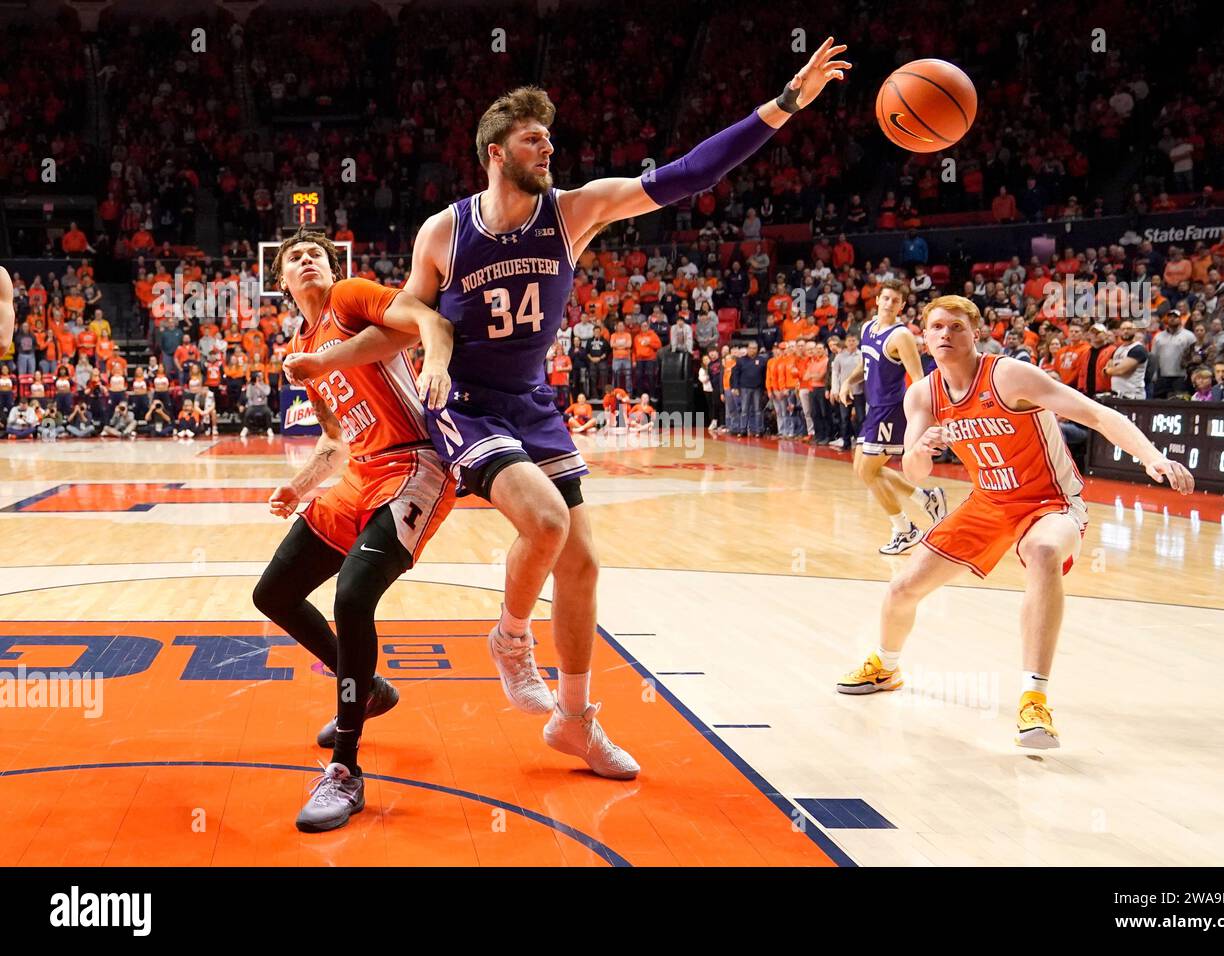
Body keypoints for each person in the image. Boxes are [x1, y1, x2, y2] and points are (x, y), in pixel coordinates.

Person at [281, 40, 851, 780]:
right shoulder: (444, 232)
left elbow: (689, 174)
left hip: (533, 402)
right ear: (495, 153)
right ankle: (511, 639)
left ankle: (575, 720)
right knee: (547, 523)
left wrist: (785, 104)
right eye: (532, 138)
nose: (548, 148)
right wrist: (331, 360)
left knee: (581, 564)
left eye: (549, 137)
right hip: (466, 405)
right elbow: (403, 327)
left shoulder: (575, 211)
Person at [836, 295, 1194, 748]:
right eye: (937, 327)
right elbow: (914, 472)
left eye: (957, 327)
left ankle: (1034, 699)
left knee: (1042, 551)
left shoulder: (1008, 375)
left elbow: (1096, 414)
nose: (946, 334)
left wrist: (1152, 457)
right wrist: (920, 449)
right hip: (988, 501)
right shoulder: (923, 394)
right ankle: (886, 667)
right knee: (903, 588)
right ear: (924, 337)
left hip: (1049, 501)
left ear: (976, 333)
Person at [258, 229, 458, 833]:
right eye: (295, 258)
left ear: (331, 266)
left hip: (414, 465)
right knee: (274, 594)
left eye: (315, 254)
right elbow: (334, 441)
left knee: (351, 597)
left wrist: (437, 366)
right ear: (281, 281)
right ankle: (367, 690)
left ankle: (345, 768)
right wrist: (300, 486)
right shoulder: (299, 346)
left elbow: (425, 321)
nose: (307, 261)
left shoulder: (348, 298)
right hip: (361, 474)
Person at [837, 278, 947, 553]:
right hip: (874, 408)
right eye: (885, 298)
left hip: (892, 409)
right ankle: (926, 498)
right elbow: (865, 362)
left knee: (867, 471)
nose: (889, 303)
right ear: (877, 300)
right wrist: (848, 381)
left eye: (895, 300)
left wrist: (924, 419)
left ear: (902, 305)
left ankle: (905, 529)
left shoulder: (901, 336)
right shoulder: (867, 327)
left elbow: (918, 378)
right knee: (863, 469)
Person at [240, 370, 275, 438]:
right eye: (258, 376)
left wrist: (259, 386)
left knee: (268, 412)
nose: (259, 377)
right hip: (253, 405)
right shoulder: (251, 386)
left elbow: (267, 393)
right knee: (247, 413)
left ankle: (269, 429)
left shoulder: (266, 385)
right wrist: (250, 386)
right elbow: (248, 396)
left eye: (260, 376)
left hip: (263, 405)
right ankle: (245, 428)